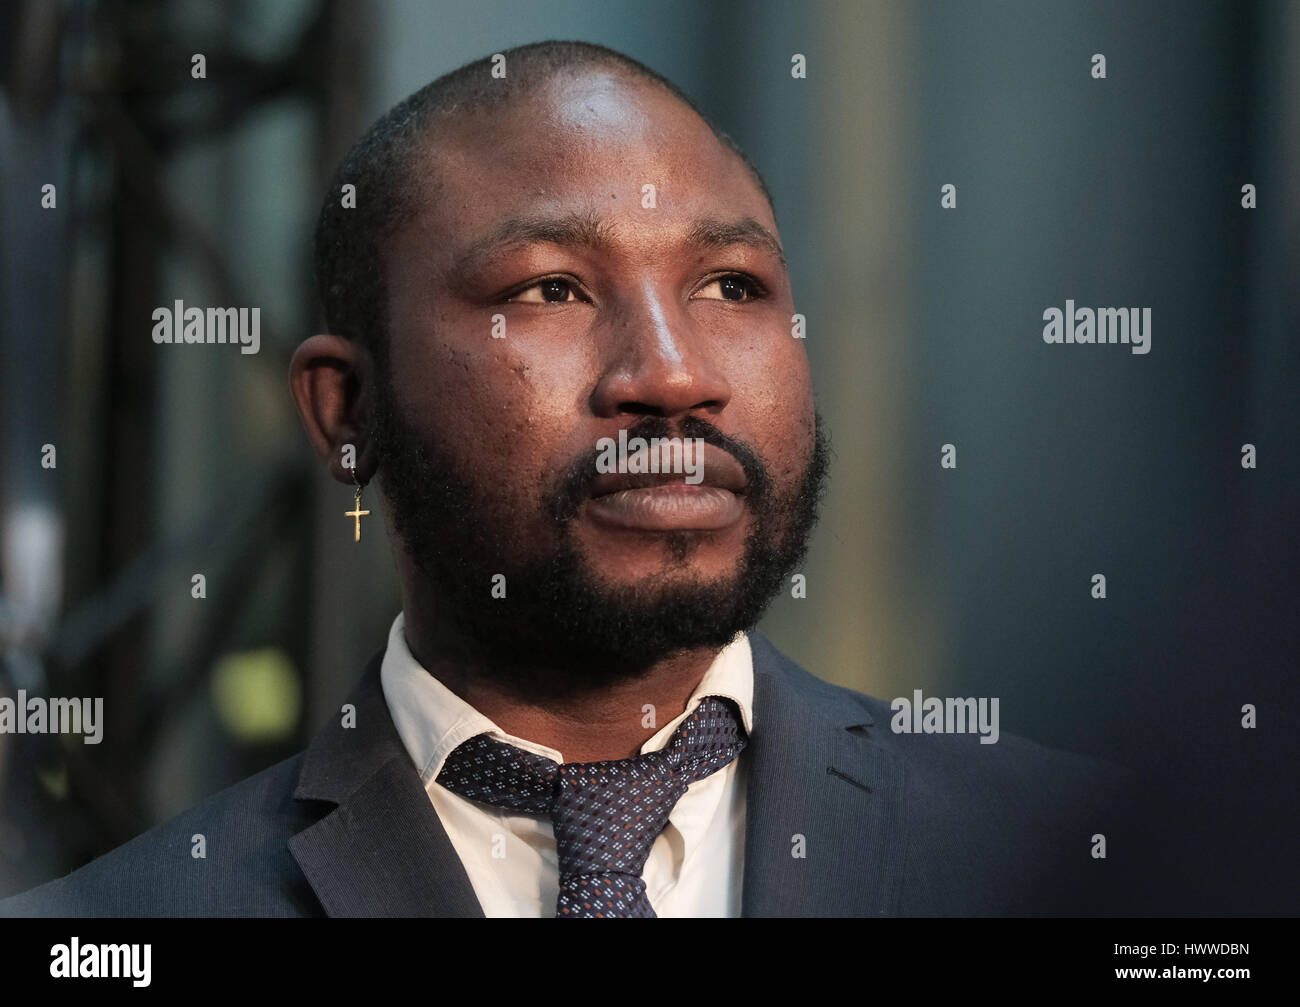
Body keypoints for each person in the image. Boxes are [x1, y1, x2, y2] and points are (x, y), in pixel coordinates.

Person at [0, 39, 1147, 918]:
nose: (672, 373)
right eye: (548, 289)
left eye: (732, 286)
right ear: (347, 409)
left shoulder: (1101, 859)